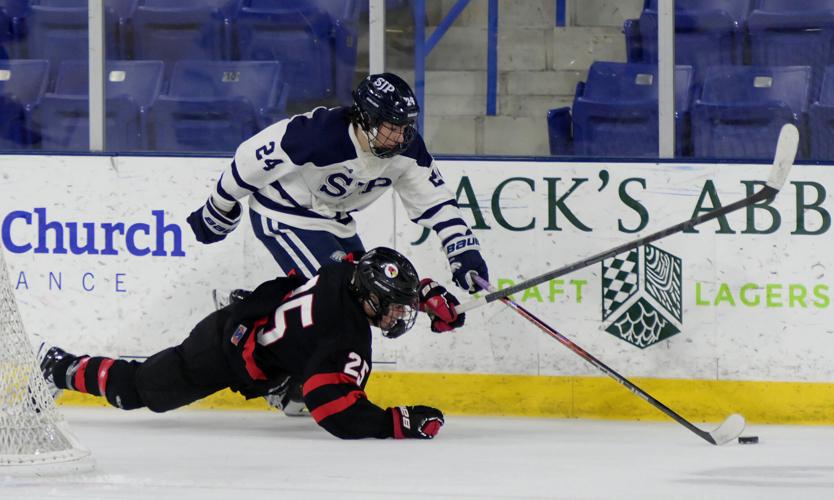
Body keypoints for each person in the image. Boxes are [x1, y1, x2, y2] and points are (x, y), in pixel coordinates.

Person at [37, 247, 465, 440]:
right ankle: (59, 366)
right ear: (369, 299)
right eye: (395, 307)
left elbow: (361, 259)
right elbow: (336, 413)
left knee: (303, 376)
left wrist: (424, 294)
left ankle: (280, 383)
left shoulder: (344, 272)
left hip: (271, 325)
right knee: (140, 391)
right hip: (226, 347)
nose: (399, 315)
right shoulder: (344, 340)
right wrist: (397, 423)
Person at [186, 72, 489, 294]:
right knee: (342, 294)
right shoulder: (317, 134)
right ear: (367, 119)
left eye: (407, 126)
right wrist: (220, 204)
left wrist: (461, 248)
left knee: (368, 295)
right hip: (284, 212)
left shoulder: (408, 149)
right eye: (393, 127)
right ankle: (249, 321)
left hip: (334, 220)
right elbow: (251, 159)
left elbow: (435, 201)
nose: (401, 137)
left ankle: (249, 307)